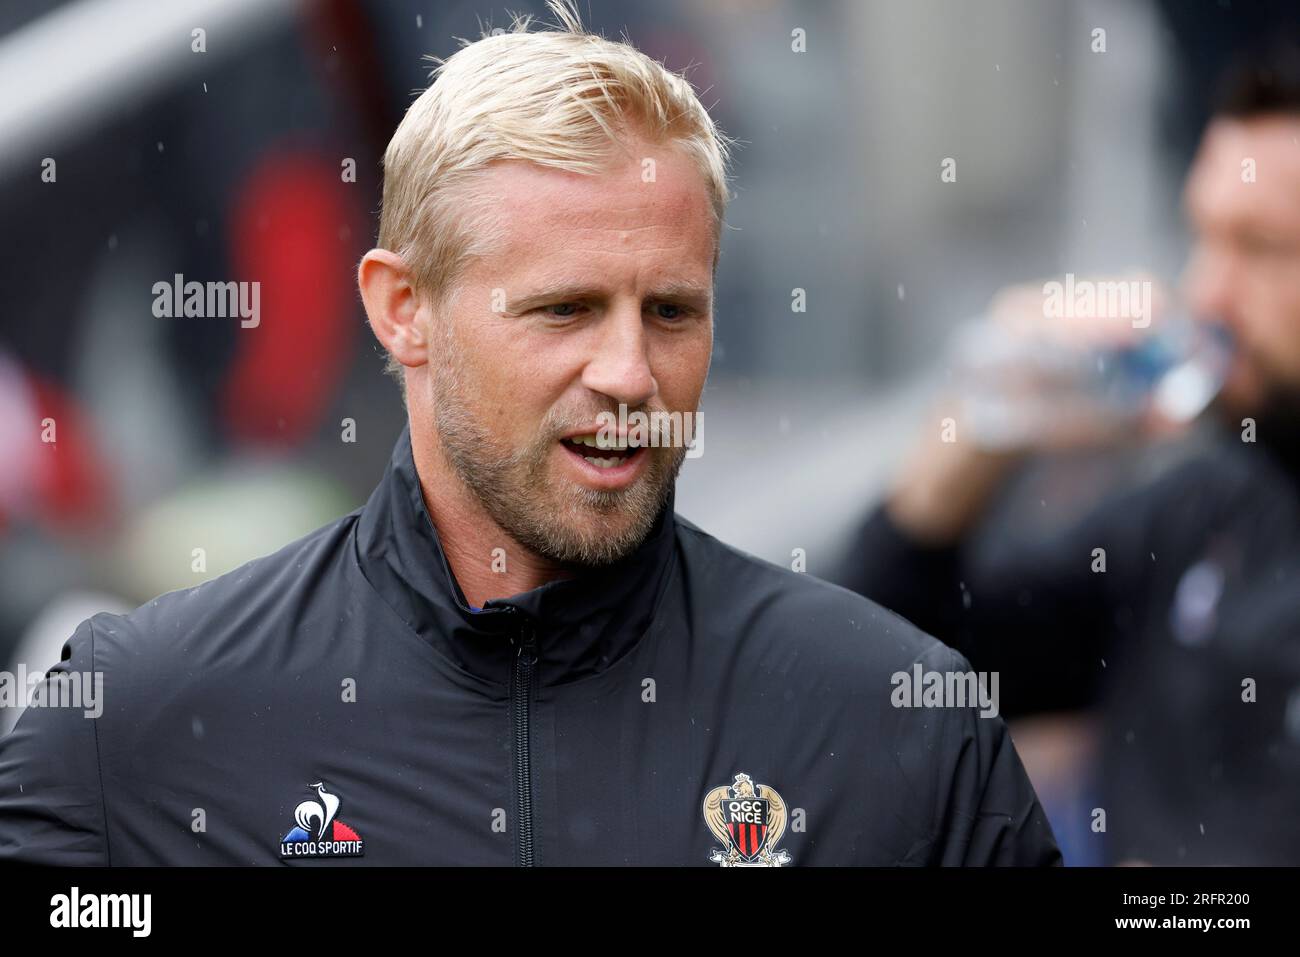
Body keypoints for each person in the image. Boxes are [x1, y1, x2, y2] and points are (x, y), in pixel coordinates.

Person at [0, 1, 1058, 866]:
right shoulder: (143, 715)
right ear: (401, 309)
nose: (630, 373)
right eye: (563, 310)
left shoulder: (894, 721)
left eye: (673, 312)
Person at [833, 46, 1300, 865]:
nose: (1208, 291)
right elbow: (883, 665)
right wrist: (984, 416)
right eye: (1203, 237)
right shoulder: (1206, 510)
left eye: (1259, 247)